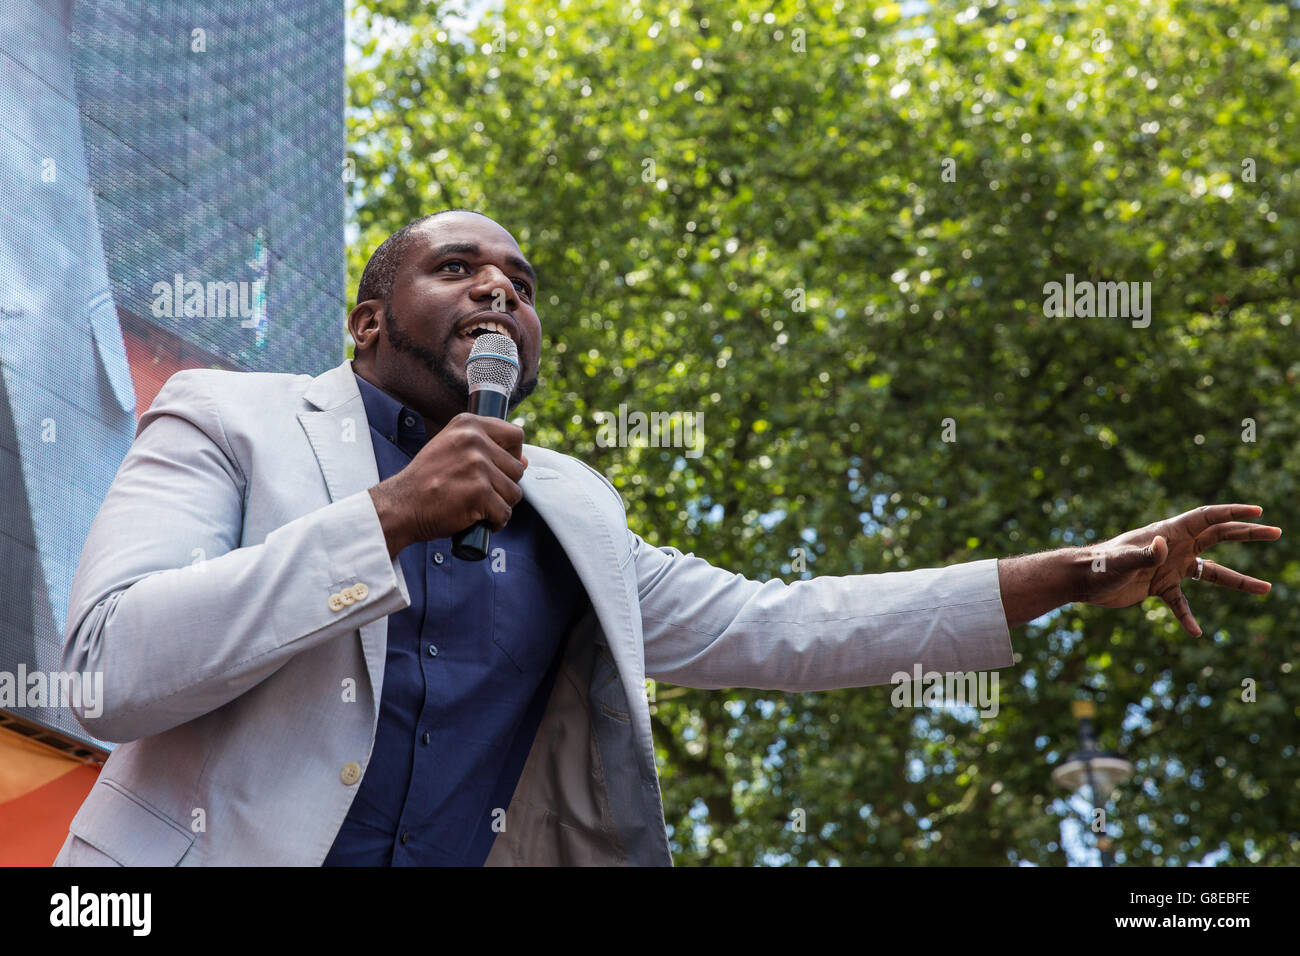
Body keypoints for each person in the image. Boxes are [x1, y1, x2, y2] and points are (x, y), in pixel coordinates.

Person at [52, 209, 1280, 866]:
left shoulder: (570, 510)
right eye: (460, 268)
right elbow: (108, 668)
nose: (500, 293)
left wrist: (1069, 572)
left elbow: (783, 621)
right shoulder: (230, 417)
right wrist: (382, 519)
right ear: (369, 320)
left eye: (522, 285)